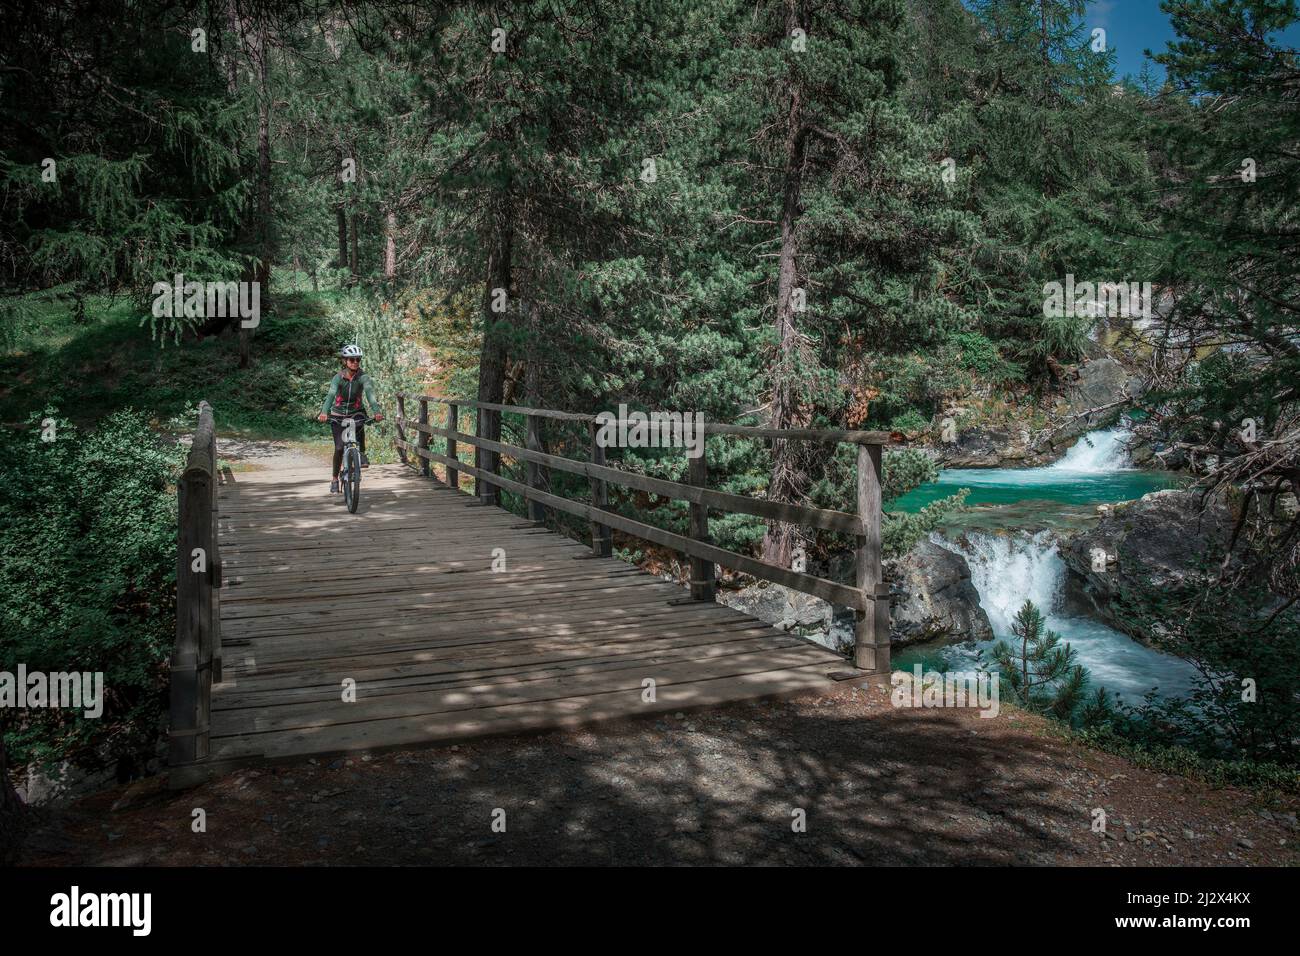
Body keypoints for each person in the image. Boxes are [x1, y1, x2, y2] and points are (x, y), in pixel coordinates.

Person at [317, 344, 384, 494]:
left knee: (361, 424)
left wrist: (377, 411)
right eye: (352, 359)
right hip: (338, 415)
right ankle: (335, 479)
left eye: (358, 360)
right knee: (339, 448)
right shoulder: (338, 378)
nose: (355, 362)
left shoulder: (363, 377)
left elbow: (370, 394)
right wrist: (324, 412)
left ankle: (362, 453)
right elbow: (331, 395)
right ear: (345, 361)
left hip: (356, 412)